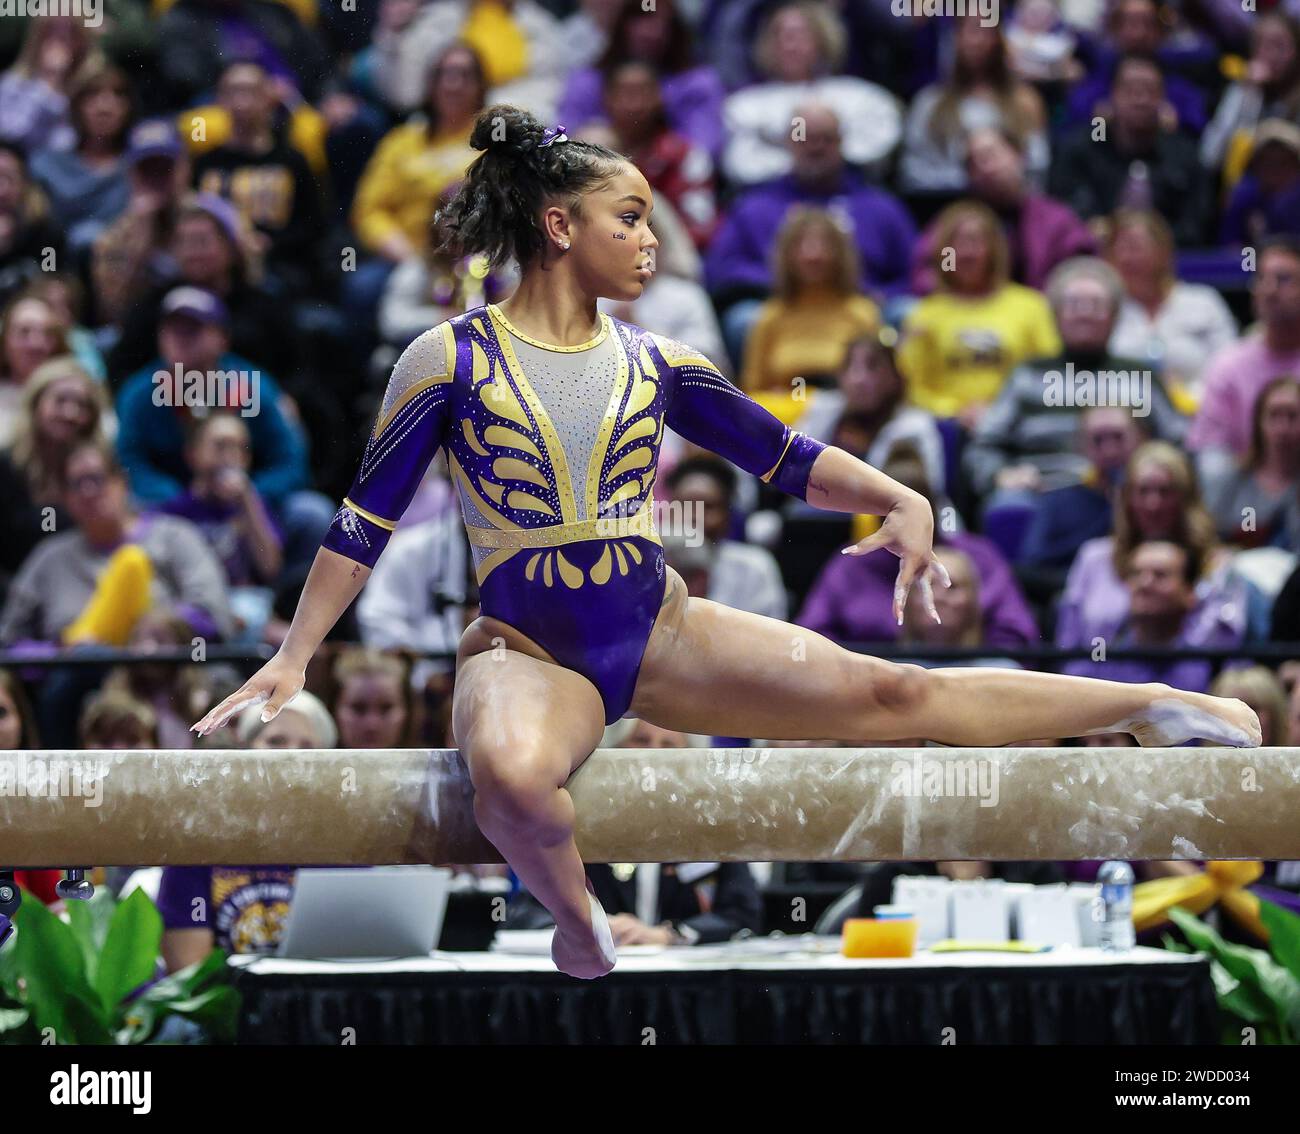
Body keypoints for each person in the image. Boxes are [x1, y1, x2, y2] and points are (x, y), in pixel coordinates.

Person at [193, 105, 1262, 982]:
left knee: (899, 700)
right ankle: (581, 924)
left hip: (661, 629)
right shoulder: (448, 356)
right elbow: (362, 518)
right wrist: (294, 655)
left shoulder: (657, 360)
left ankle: (1151, 705)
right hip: (529, 650)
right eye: (630, 215)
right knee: (513, 779)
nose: (652, 238)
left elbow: (784, 457)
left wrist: (898, 496)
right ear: (560, 226)